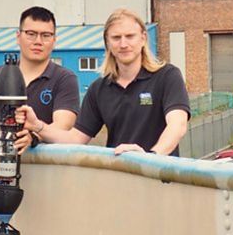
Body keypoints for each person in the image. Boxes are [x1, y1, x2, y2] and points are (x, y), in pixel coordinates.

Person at [18, 8, 190, 156]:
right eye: (116, 38)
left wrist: (151, 158)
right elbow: (76, 139)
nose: (123, 44)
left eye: (130, 36)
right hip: (119, 181)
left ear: (143, 38)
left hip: (162, 182)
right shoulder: (99, 89)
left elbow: (177, 125)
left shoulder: (167, 76)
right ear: (107, 42)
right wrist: (38, 126)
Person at [0, 7, 80, 176]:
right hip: (3, 173)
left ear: (54, 40)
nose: (38, 41)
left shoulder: (65, 78)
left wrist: (34, 137)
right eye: (31, 34)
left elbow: (63, 125)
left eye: (46, 35)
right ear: (18, 37)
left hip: (50, 174)